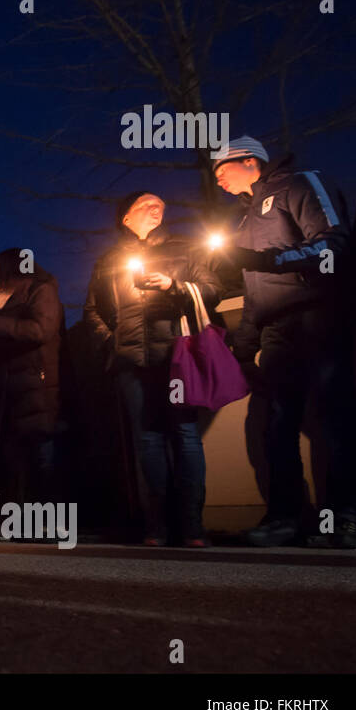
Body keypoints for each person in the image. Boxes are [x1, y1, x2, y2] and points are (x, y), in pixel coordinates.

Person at [213, 135, 356, 548]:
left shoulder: (300, 182)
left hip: (317, 314)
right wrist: (244, 342)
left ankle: (346, 518)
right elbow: (254, 288)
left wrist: (267, 260)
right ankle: (285, 518)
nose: (218, 181)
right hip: (276, 332)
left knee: (335, 416)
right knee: (279, 424)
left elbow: (333, 245)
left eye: (221, 169)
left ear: (249, 161)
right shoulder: (245, 221)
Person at [83, 193, 221, 546]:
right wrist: (112, 340)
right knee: (148, 440)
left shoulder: (184, 248)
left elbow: (212, 289)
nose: (155, 206)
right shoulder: (110, 260)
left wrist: (172, 286)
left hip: (176, 353)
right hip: (130, 360)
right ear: (125, 217)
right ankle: (157, 526)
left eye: (160, 202)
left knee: (185, 435)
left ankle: (192, 526)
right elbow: (93, 310)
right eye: (145, 203)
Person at [0, 250, 64, 521]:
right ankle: (15, 523)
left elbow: (40, 331)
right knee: (11, 461)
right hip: (3, 395)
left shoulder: (41, 291)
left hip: (37, 389)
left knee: (42, 458)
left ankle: (50, 522)